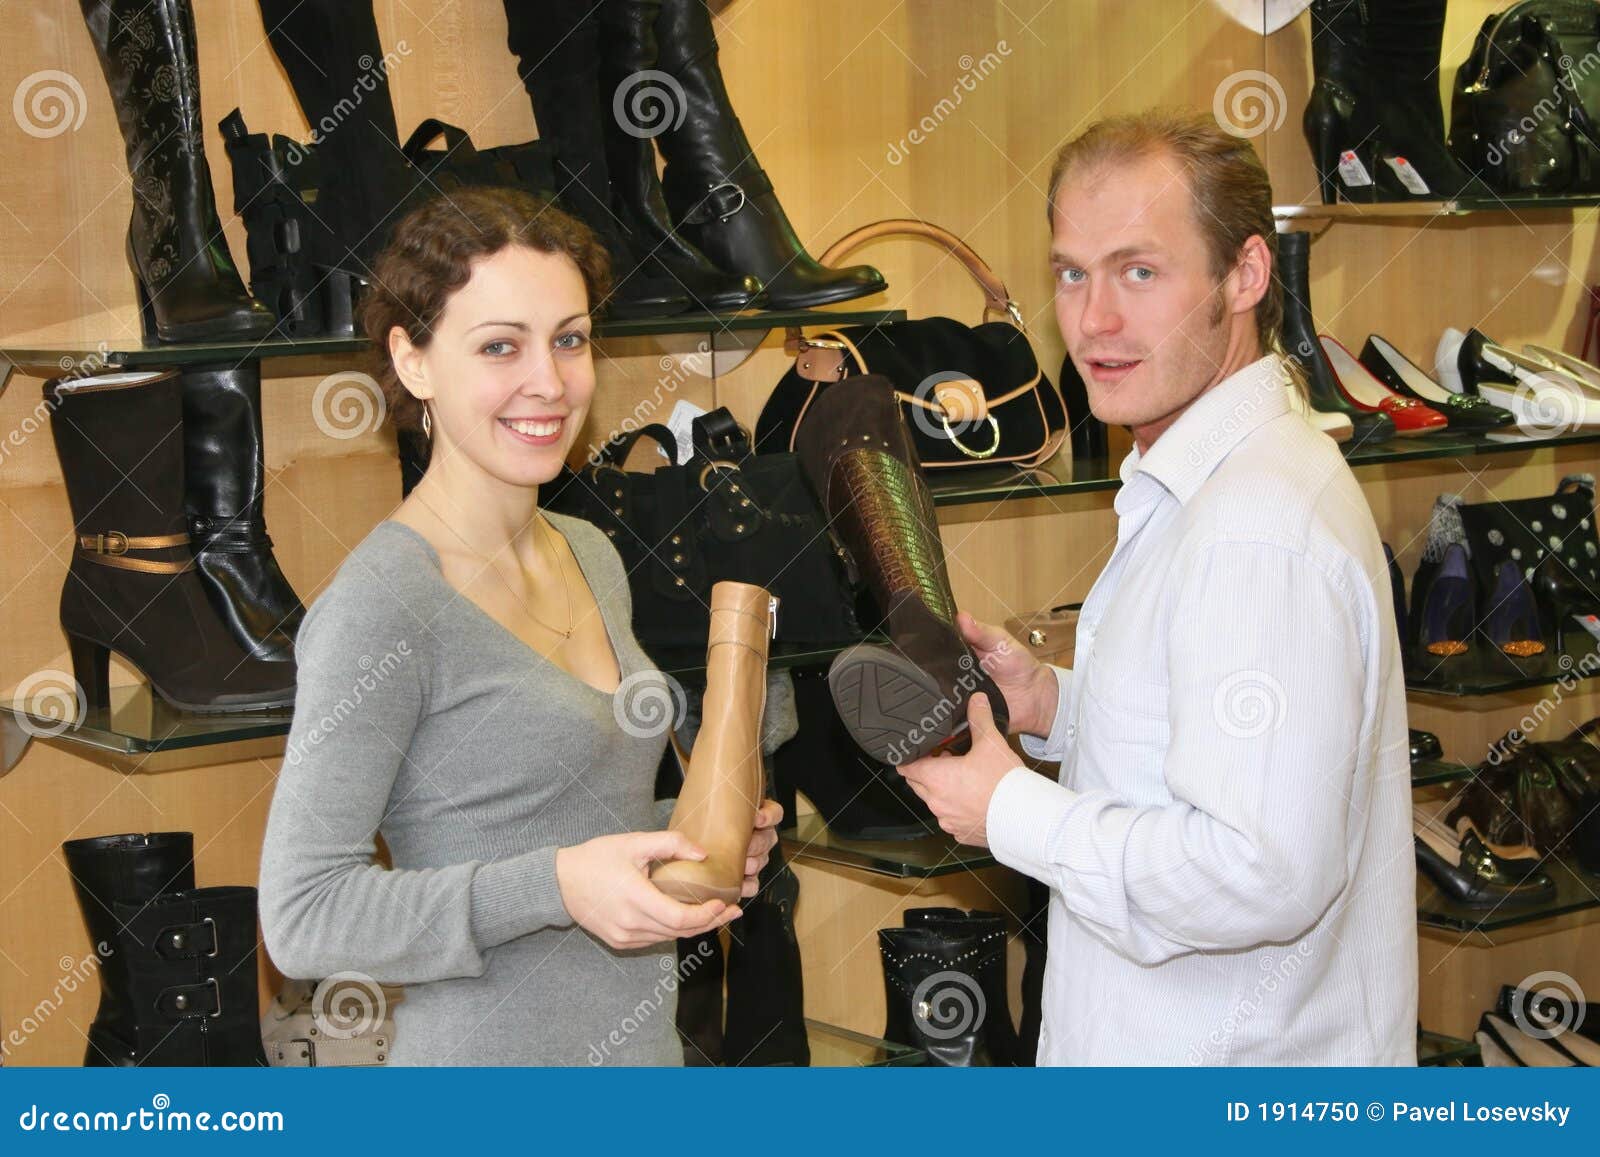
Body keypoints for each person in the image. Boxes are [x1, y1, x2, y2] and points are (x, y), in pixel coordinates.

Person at [898, 109, 1416, 1065]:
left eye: (1141, 271)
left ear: (1247, 275)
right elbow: (1222, 734)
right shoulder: (1215, 479)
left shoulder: (1253, 527)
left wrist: (1011, 809)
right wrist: (1054, 701)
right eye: (1071, 272)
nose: (1095, 320)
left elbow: (1258, 872)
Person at [258, 187, 780, 1066]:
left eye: (569, 339)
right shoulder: (382, 606)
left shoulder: (587, 551)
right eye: (501, 345)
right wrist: (557, 887)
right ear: (413, 361)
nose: (550, 381)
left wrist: (681, 838)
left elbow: (553, 821)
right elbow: (302, 916)